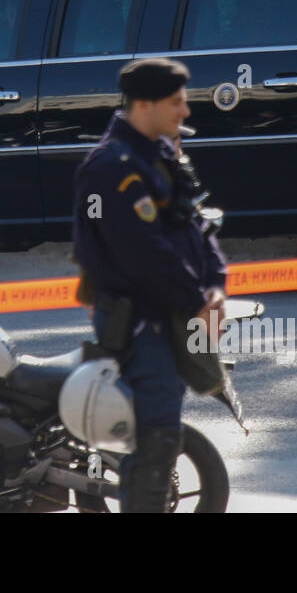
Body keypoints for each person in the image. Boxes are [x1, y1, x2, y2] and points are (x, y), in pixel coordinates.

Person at [73, 57, 227, 513]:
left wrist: (215, 285)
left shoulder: (158, 155)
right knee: (155, 435)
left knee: (160, 432)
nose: (186, 112)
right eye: (176, 102)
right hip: (140, 320)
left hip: (171, 315)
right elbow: (144, 254)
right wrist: (197, 299)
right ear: (145, 103)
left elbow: (195, 227)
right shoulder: (112, 167)